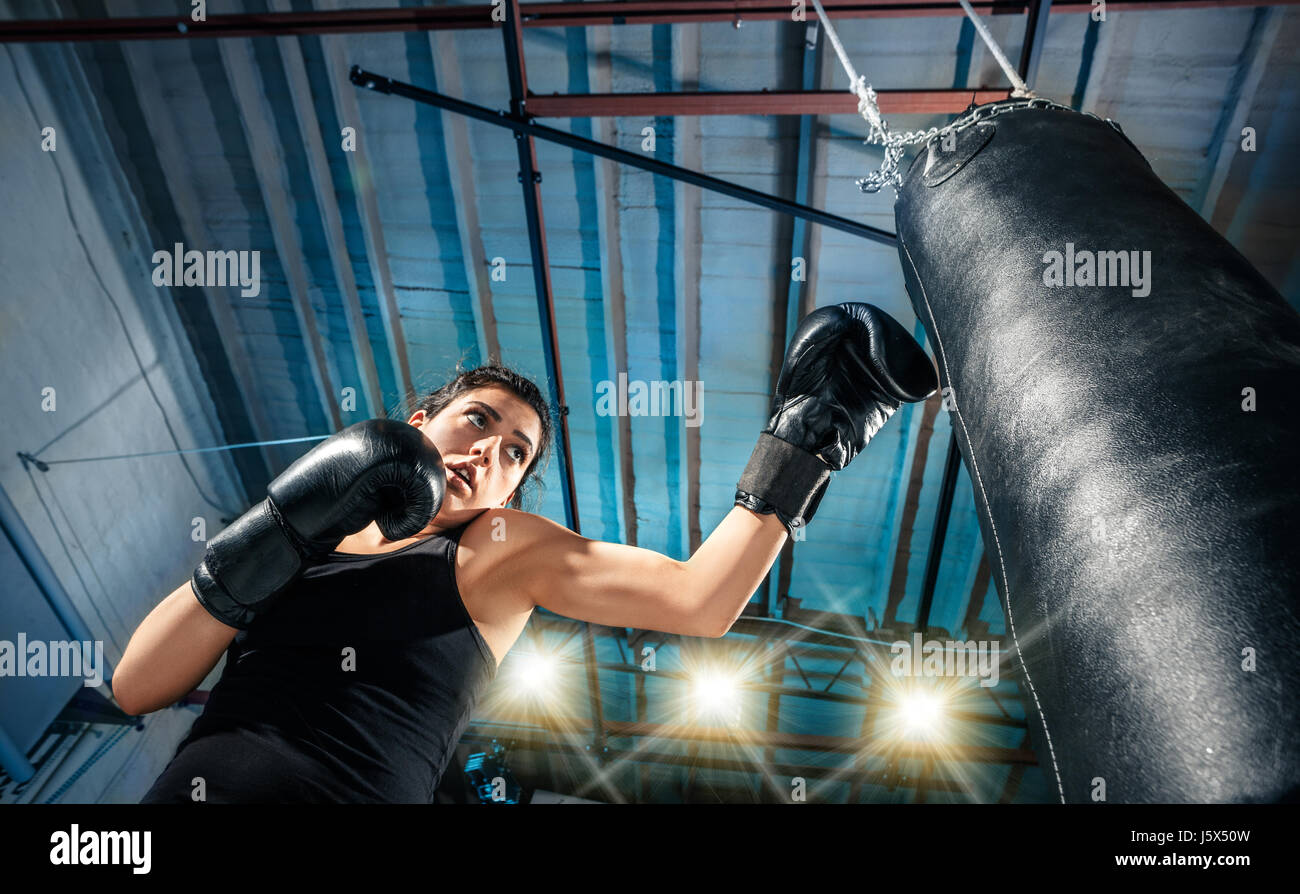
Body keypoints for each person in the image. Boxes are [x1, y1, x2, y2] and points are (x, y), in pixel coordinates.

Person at [115, 303, 937, 802]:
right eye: (478, 420)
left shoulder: (495, 553)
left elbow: (700, 599)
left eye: (517, 453)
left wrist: (807, 437)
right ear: (424, 420)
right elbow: (136, 685)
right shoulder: (307, 540)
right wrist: (285, 523)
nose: (492, 453)